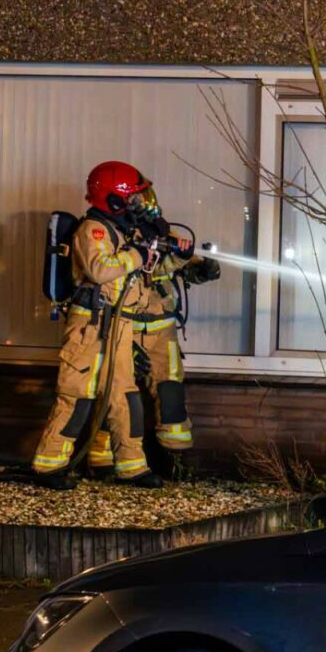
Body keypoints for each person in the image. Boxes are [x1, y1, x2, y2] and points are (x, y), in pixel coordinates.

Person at [31, 161, 163, 489]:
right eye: (134, 199)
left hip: (118, 326)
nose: (141, 205)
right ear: (114, 200)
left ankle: (132, 466)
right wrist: (135, 252)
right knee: (77, 395)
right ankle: (49, 465)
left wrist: (153, 247)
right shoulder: (94, 231)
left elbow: (138, 281)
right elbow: (100, 270)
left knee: (123, 395)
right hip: (90, 326)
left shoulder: (121, 232)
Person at [123, 197, 221, 465]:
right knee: (116, 392)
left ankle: (175, 460)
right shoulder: (115, 234)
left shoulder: (166, 234)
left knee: (170, 391)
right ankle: (104, 462)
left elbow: (186, 266)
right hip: (124, 326)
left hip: (161, 326)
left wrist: (203, 269)